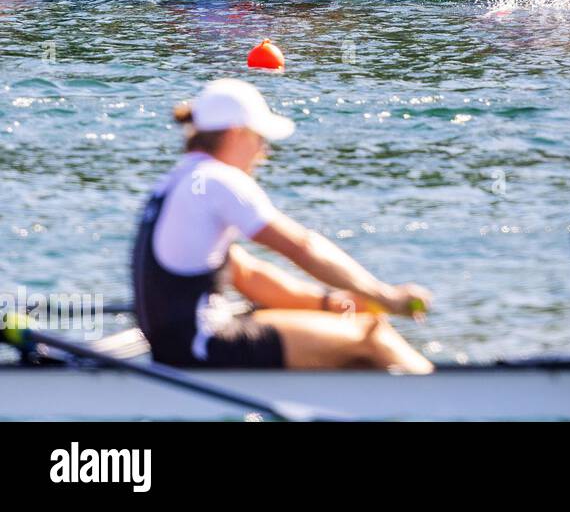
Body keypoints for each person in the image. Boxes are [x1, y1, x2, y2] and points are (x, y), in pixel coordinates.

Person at [132, 78, 433, 372]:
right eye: (260, 139)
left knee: (346, 326)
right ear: (237, 134)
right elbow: (302, 247)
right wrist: (385, 296)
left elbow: (249, 276)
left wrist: (336, 303)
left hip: (180, 346)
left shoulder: (175, 182)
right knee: (371, 335)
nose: (264, 152)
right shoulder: (219, 179)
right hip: (202, 348)